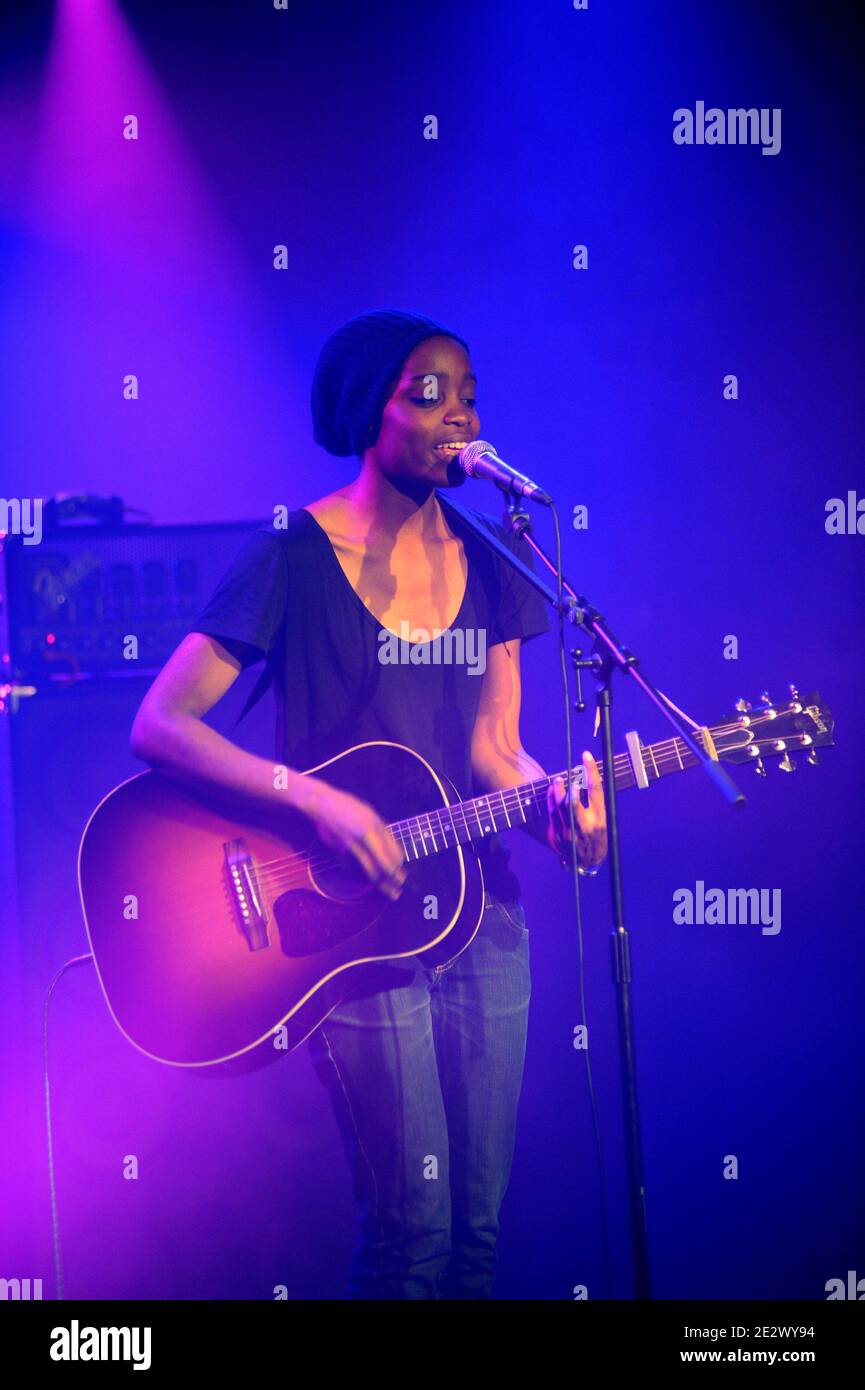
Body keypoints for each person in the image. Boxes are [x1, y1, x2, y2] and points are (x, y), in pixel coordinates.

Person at [130, 309, 607, 1299]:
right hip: (347, 926)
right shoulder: (290, 554)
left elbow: (494, 753)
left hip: (481, 918)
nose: (456, 414)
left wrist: (560, 809)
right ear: (367, 408)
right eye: (427, 392)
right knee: (411, 1234)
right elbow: (163, 723)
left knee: (475, 1234)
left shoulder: (496, 564)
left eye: (467, 394)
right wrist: (308, 799)